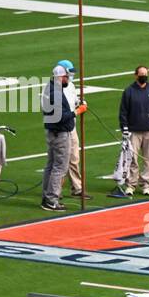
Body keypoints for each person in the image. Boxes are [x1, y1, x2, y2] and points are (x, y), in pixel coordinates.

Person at [111, 65, 149, 199]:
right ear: (136, 75)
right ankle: (131, 184)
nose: (143, 76)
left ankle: (146, 185)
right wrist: (125, 128)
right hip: (134, 132)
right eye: (141, 74)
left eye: (145, 74)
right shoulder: (129, 91)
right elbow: (123, 112)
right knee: (132, 160)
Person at [40, 61, 85, 212]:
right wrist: (77, 112)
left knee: (51, 165)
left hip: (52, 132)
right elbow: (61, 116)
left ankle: (46, 196)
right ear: (60, 77)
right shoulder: (56, 93)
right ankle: (52, 199)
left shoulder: (50, 88)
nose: (68, 79)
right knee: (60, 167)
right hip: (60, 133)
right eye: (66, 76)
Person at [53, 59, 91, 202]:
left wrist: (81, 103)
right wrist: (77, 111)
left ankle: (77, 188)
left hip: (71, 126)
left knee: (74, 158)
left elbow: (76, 101)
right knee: (61, 161)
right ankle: (56, 190)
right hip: (61, 129)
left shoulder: (71, 87)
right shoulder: (54, 89)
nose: (70, 77)